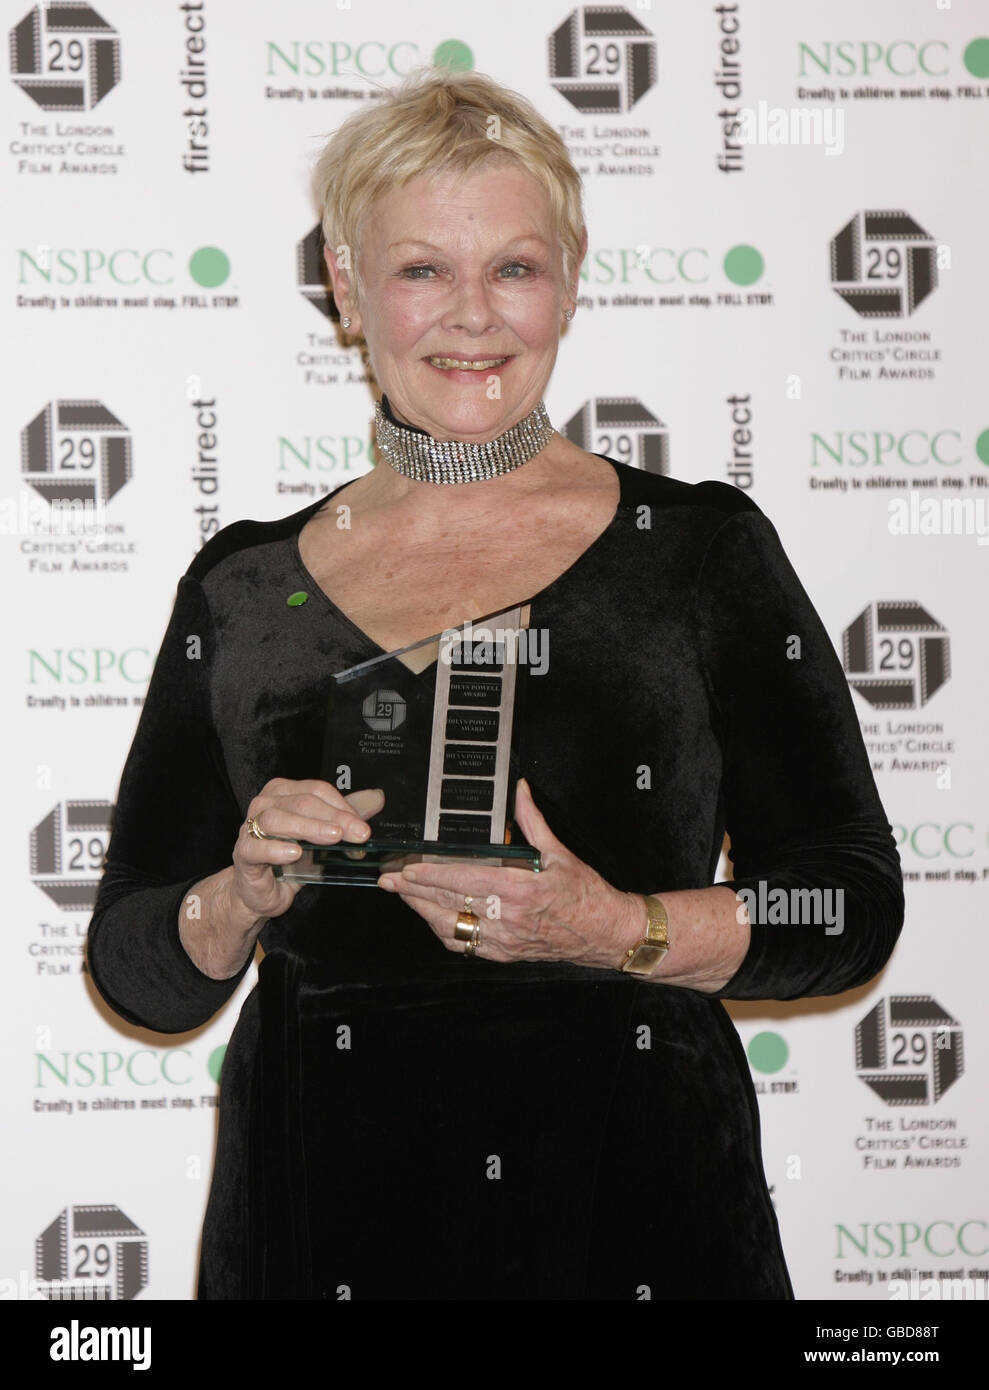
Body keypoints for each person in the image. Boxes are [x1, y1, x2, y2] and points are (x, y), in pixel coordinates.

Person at [87, 67, 903, 1300]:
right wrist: (237, 895)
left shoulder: (697, 550)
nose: (472, 316)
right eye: (421, 270)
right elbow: (134, 960)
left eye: (513, 268)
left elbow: (841, 906)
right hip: (320, 1206)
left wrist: (616, 928)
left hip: (630, 1204)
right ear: (347, 290)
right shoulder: (242, 584)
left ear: (568, 282)